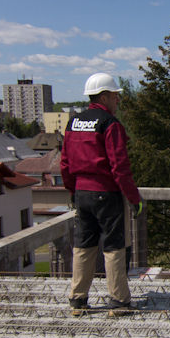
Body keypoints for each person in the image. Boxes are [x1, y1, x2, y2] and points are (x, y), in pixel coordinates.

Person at [61, 72, 144, 317]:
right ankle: (118, 301)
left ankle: (77, 300)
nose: (118, 101)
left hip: (81, 193)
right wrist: (134, 198)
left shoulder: (73, 122)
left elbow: (65, 163)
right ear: (105, 96)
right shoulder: (110, 124)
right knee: (114, 247)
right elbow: (119, 167)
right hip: (106, 194)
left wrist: (72, 191)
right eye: (116, 96)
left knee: (83, 246)